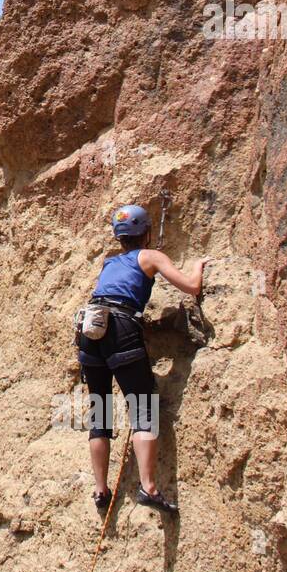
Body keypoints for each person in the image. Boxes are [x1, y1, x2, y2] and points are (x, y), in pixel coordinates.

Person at [77, 204, 205, 517]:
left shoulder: (110, 262)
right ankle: (148, 487)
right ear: (146, 231)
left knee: (100, 412)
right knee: (143, 407)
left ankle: (100, 490)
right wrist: (199, 266)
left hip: (91, 326)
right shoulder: (150, 256)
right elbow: (191, 287)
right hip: (121, 326)